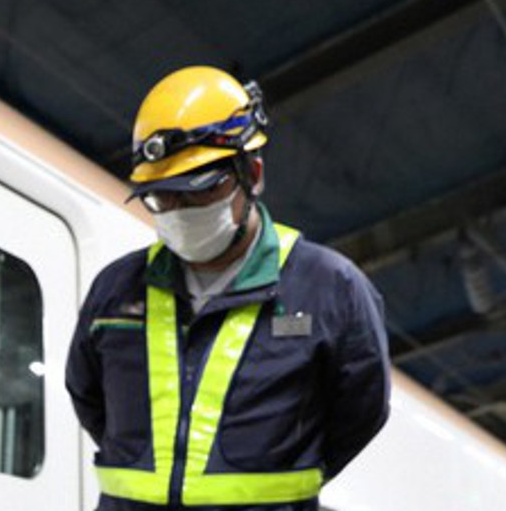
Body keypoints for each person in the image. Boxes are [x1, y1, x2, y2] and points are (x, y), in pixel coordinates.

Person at [66, 66, 391, 510]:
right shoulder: (117, 289)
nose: (178, 211)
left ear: (252, 174)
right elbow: (87, 394)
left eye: (199, 191)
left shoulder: (330, 288)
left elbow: (361, 411)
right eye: (162, 197)